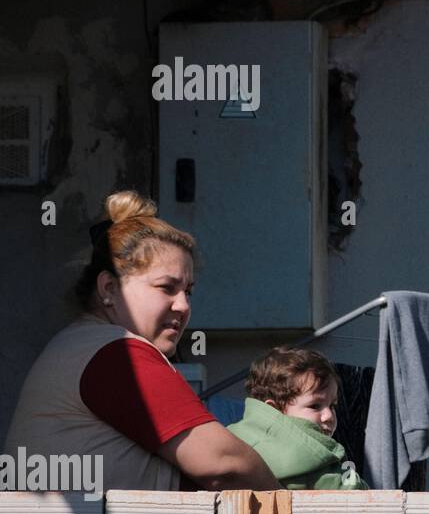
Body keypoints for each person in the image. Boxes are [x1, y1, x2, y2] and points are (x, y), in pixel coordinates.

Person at [4, 191, 279, 491]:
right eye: (166, 288)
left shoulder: (78, 344)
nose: (184, 306)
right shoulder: (116, 353)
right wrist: (287, 508)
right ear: (109, 288)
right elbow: (224, 464)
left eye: (188, 291)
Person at [228, 346, 367, 489]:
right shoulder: (317, 459)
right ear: (274, 409)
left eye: (332, 405)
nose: (329, 416)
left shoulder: (230, 441)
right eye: (314, 406)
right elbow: (354, 493)